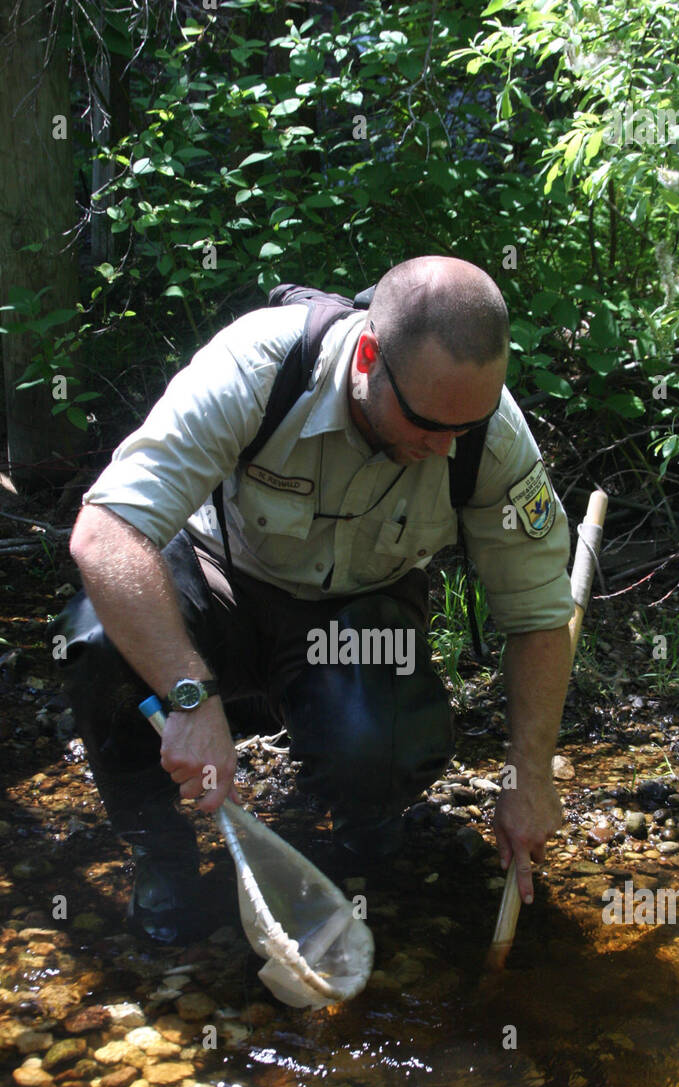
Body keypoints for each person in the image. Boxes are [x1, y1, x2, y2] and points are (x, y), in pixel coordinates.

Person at [54, 255, 574, 945]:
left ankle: (362, 827)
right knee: (96, 646)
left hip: (354, 622)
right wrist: (188, 697)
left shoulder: (487, 433)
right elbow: (106, 533)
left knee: (378, 744)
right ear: (368, 356)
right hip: (221, 589)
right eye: (426, 421)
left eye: (465, 428)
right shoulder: (260, 365)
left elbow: (539, 615)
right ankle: (164, 857)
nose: (446, 445)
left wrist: (530, 773)